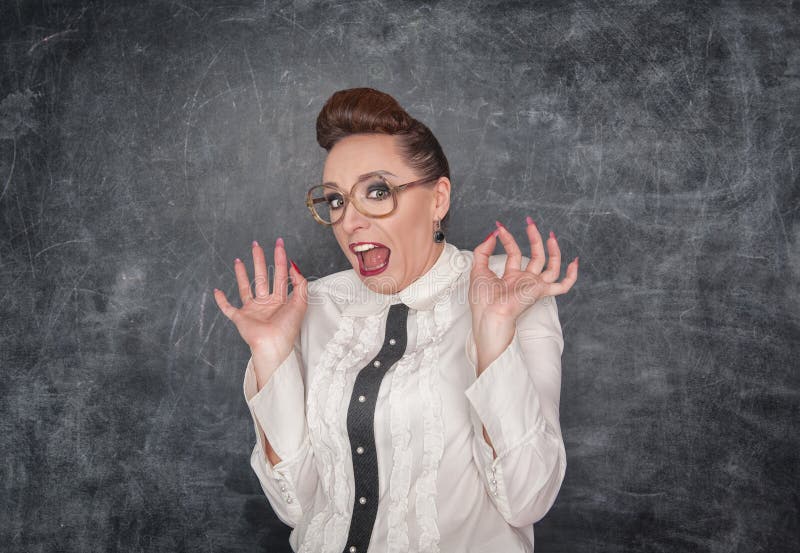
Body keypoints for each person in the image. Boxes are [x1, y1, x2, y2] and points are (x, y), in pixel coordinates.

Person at [213, 87, 579, 553]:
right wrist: (271, 355)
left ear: (438, 198)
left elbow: (528, 498)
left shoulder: (508, 290)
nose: (349, 221)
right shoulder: (313, 305)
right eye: (337, 201)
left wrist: (493, 336)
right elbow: (298, 509)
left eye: (378, 191)